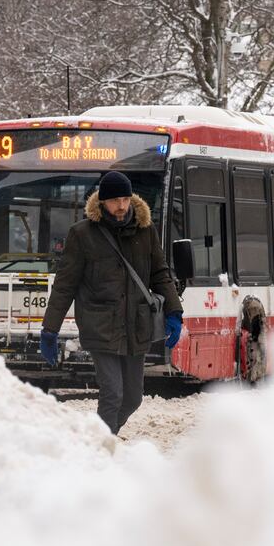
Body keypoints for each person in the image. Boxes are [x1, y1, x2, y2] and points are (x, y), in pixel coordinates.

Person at [41, 171, 184, 435]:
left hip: (136, 326)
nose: (121, 206)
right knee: (112, 393)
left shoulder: (145, 230)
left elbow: (160, 273)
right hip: (100, 326)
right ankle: (102, 450)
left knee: (133, 398)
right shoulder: (82, 235)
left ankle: (102, 438)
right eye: (115, 200)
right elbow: (65, 285)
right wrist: (50, 329)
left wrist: (175, 311)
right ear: (102, 202)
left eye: (125, 199)